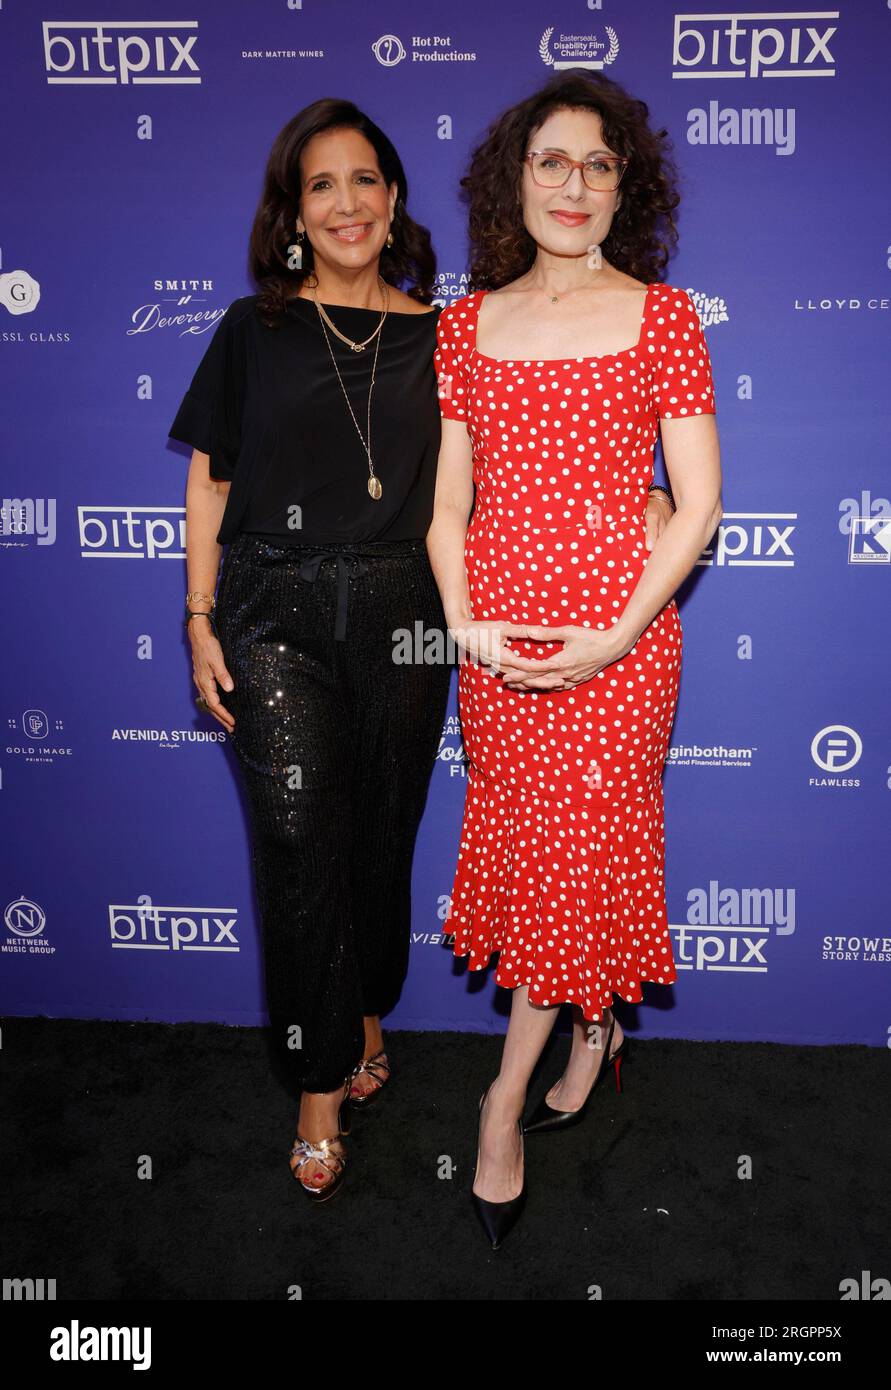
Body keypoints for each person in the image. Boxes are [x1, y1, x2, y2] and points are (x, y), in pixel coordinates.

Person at [427, 69, 722, 1248]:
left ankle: (501, 1105)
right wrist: (462, 620)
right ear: (517, 178)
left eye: (599, 164)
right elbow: (447, 508)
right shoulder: (464, 323)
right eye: (552, 160)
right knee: (538, 843)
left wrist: (620, 629)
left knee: (579, 845)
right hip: (496, 636)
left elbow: (695, 505)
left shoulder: (665, 317)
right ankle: (592, 1027)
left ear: (623, 187)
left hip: (622, 635)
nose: (574, 183)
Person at [167, 99, 452, 1201]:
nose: (347, 202)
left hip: (407, 614)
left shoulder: (443, 335)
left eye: (365, 179)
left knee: (381, 831)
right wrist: (198, 618)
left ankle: (367, 1001)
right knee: (298, 841)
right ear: (293, 211)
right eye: (321, 185)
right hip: (273, 611)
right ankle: (318, 1080)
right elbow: (213, 481)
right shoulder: (256, 329)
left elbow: (507, 465)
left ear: (393, 199)